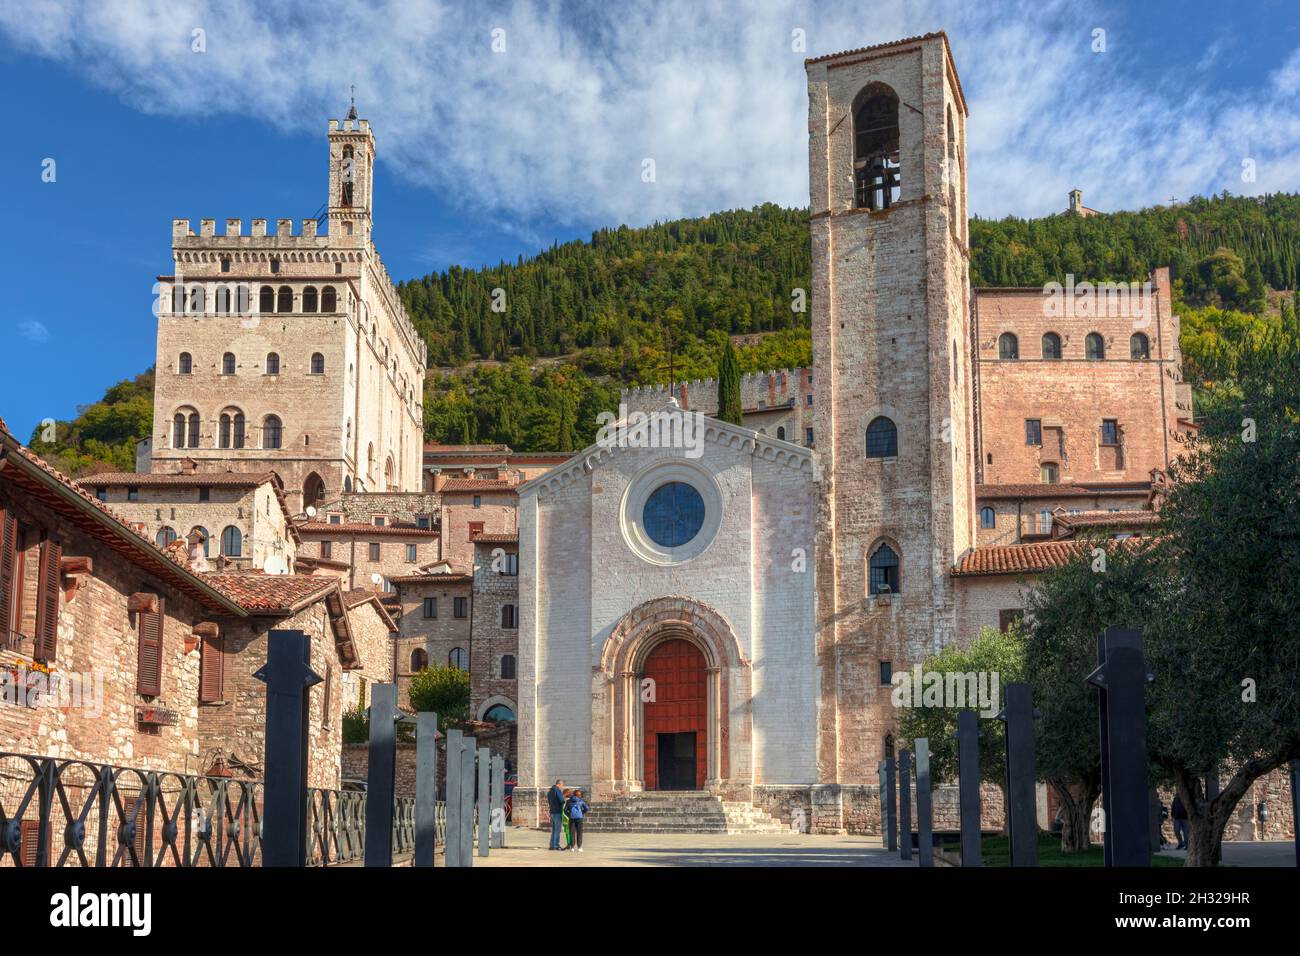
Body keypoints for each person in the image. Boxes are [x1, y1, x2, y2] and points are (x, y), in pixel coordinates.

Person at [547, 779, 566, 851]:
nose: (562, 787)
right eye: (562, 785)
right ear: (559, 784)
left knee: (554, 830)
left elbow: (549, 802)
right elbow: (562, 801)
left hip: (552, 812)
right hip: (558, 812)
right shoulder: (557, 790)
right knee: (557, 830)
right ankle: (556, 845)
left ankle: (552, 845)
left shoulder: (550, 791)